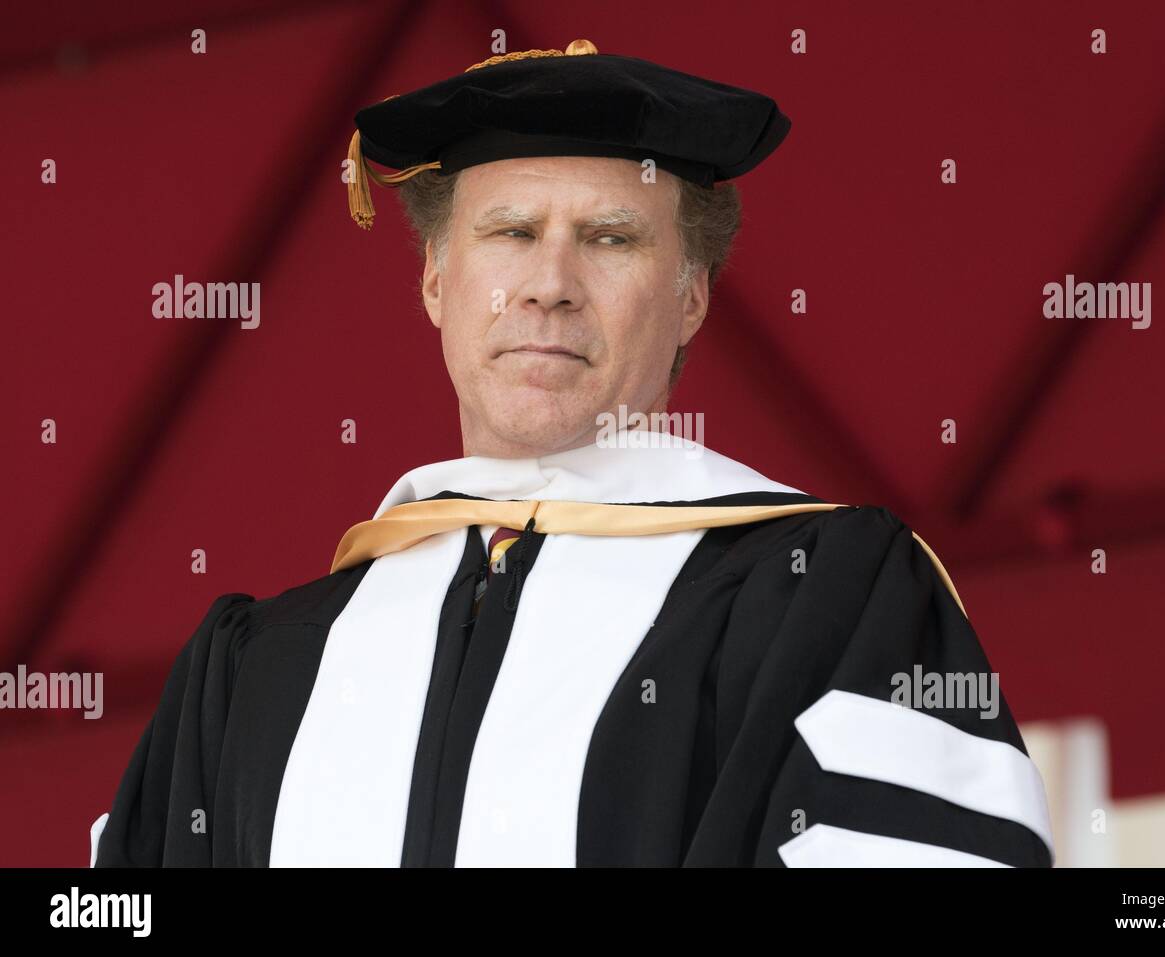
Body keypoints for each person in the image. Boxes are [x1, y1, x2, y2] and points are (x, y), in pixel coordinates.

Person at [90, 39, 1053, 867]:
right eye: (510, 232)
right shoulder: (258, 674)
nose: (549, 284)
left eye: (609, 237)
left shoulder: (823, 601)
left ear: (691, 296)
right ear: (435, 278)